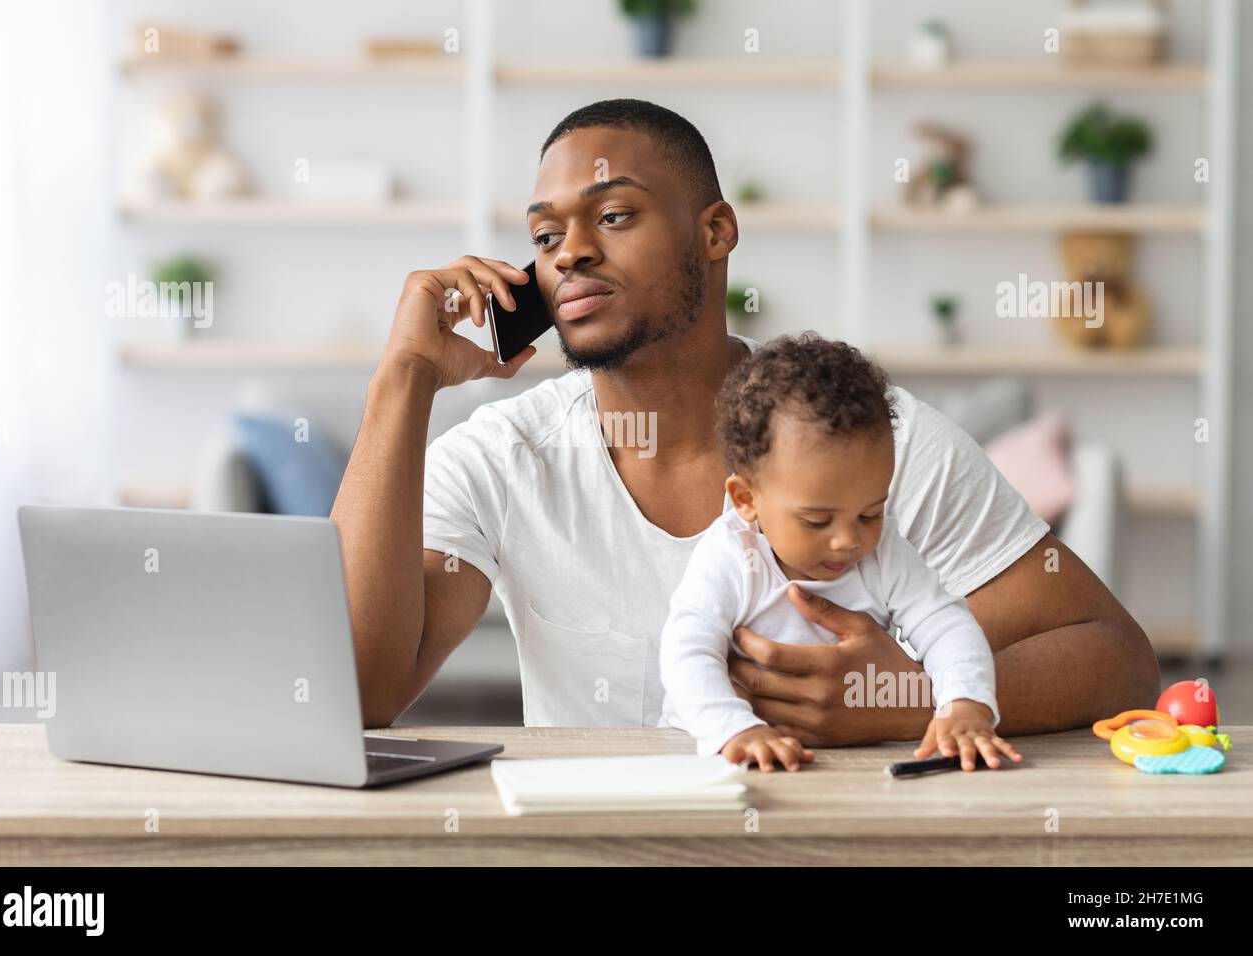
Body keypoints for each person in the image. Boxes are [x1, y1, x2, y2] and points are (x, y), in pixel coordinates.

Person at [330, 98, 1159, 743]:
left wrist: (909, 697)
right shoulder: (503, 460)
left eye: (613, 216)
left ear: (716, 232)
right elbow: (358, 692)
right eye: (545, 235)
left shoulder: (874, 439)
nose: (570, 252)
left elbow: (1115, 657)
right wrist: (402, 380)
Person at [660, 333, 1023, 773]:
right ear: (746, 499)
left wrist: (964, 704)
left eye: (870, 513)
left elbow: (947, 627)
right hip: (716, 758)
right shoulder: (732, 555)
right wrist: (736, 728)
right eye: (817, 521)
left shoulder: (885, 552)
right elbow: (686, 653)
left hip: (840, 764)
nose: (848, 541)